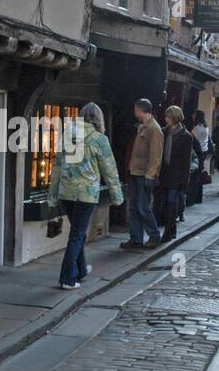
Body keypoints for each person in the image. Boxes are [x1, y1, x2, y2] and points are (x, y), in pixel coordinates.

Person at [49, 103, 124, 289]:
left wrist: (53, 195)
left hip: (66, 192)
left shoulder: (68, 136)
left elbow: (57, 168)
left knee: (78, 232)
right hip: (86, 194)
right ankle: (67, 279)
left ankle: (80, 270)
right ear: (99, 118)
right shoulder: (100, 140)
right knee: (76, 235)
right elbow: (110, 171)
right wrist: (117, 196)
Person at [121, 98, 163, 250]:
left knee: (142, 207)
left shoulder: (154, 129)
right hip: (135, 172)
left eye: (135, 109)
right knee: (133, 208)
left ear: (141, 110)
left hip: (144, 174)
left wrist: (150, 175)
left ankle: (154, 235)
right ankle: (136, 238)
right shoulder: (142, 127)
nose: (134, 112)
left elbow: (155, 155)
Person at [158, 106, 194, 242]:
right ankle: (172, 227)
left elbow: (186, 160)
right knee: (164, 203)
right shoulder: (163, 132)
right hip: (164, 172)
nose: (165, 118)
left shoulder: (186, 136)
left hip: (177, 174)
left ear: (174, 117)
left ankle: (168, 231)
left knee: (172, 202)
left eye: (167, 116)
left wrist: (185, 180)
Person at [186, 110, 209, 207]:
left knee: (194, 177)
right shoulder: (205, 126)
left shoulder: (197, 128)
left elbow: (192, 140)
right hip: (203, 151)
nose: (192, 115)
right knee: (198, 176)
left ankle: (191, 199)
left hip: (196, 152)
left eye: (194, 114)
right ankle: (198, 197)